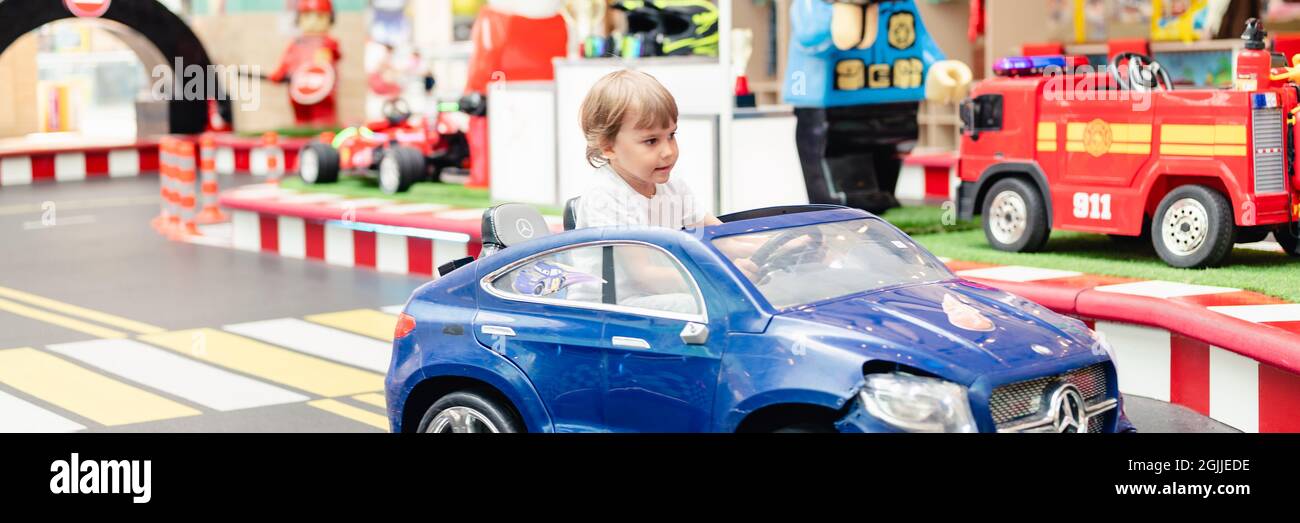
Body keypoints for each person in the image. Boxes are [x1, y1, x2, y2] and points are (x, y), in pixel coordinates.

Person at [574, 70, 759, 311]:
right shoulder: (605, 195)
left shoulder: (670, 185)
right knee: (718, 307)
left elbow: (719, 237)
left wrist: (775, 245)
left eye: (671, 135)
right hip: (610, 309)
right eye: (651, 141)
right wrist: (720, 274)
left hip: (652, 298)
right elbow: (644, 275)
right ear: (609, 147)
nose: (668, 151)